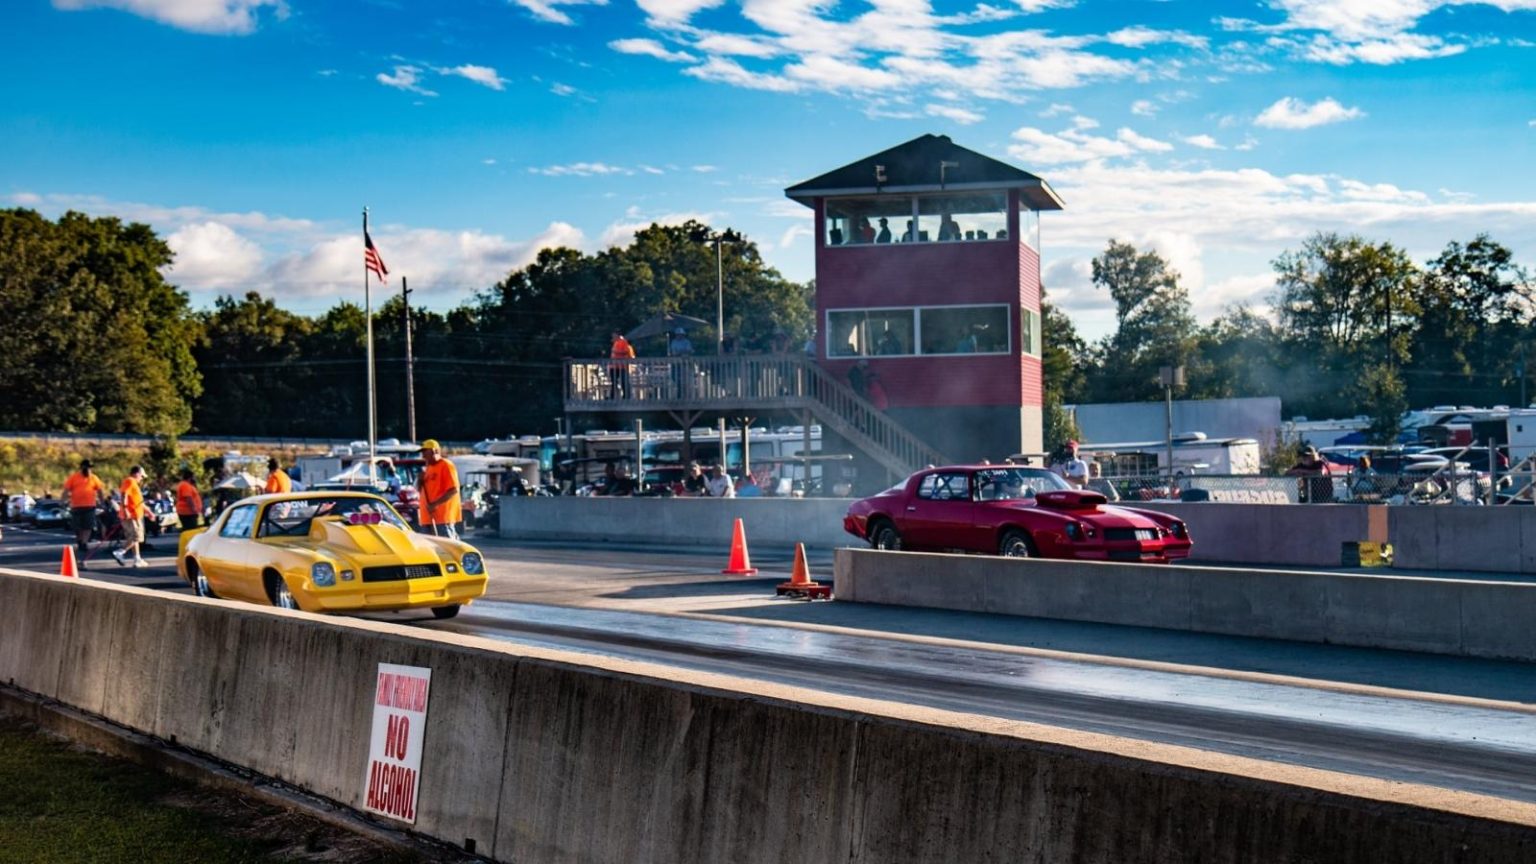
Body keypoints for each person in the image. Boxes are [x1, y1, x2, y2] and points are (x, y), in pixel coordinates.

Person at [418, 439, 463, 538]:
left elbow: (453, 490)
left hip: (442, 517)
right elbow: (421, 491)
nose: (423, 455)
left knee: (448, 547)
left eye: (425, 452)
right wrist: (420, 480)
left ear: (435, 451)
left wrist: (435, 504)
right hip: (427, 517)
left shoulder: (446, 465)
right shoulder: (429, 467)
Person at [62, 459, 107, 554]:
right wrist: (63, 500)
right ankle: (79, 540)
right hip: (76, 506)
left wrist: (102, 502)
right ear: (82, 467)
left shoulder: (94, 478)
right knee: (77, 527)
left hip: (90, 505)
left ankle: (84, 542)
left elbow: (99, 490)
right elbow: (66, 490)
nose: (89, 470)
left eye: (90, 468)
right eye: (87, 467)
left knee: (88, 525)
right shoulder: (74, 477)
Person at [112, 466, 148, 567]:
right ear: (137, 474)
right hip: (131, 515)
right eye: (141, 476)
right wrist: (126, 509)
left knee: (133, 537)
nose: (141, 478)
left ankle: (137, 559)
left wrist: (148, 512)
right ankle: (120, 552)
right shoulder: (130, 481)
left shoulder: (133, 484)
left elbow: (139, 502)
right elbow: (124, 494)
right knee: (137, 536)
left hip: (133, 514)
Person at [608, 330, 635, 399]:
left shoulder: (623, 342)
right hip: (614, 366)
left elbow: (626, 351)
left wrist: (616, 352)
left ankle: (626, 397)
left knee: (623, 382)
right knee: (614, 383)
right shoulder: (615, 342)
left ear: (618, 335)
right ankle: (612, 397)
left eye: (614, 335)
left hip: (621, 366)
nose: (613, 337)